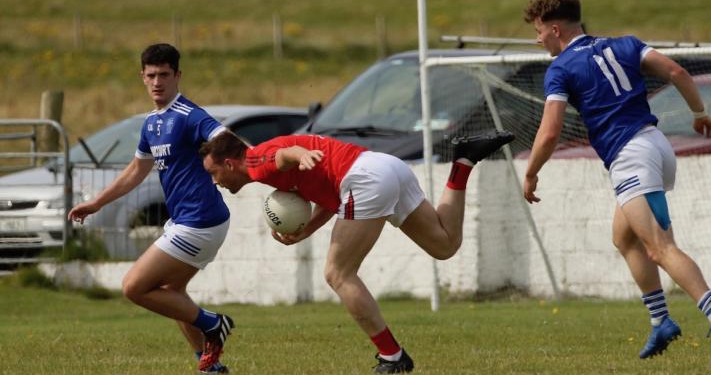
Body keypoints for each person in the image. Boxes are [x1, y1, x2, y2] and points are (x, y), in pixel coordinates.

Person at [521, 0, 711, 368]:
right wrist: (699, 113)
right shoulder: (625, 43)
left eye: (539, 32)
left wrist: (530, 173)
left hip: (630, 158)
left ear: (555, 29)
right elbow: (677, 72)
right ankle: (661, 321)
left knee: (660, 248)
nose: (537, 40)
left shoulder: (560, 68)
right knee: (623, 237)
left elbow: (550, 131)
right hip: (656, 145)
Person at [199, 130, 514, 373]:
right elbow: (332, 198)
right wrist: (305, 230)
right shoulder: (266, 160)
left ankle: (393, 356)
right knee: (445, 245)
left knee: (337, 274)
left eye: (213, 174)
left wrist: (301, 154)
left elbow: (282, 156)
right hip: (386, 167)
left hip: (365, 179)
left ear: (229, 164)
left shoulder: (256, 162)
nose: (215, 182)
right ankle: (463, 162)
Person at [68, 43, 235, 374]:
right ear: (143, 77)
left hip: (200, 220)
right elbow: (136, 171)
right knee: (171, 293)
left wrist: (232, 169)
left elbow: (225, 136)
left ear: (177, 76)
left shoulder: (189, 115)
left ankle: (213, 324)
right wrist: (97, 203)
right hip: (188, 220)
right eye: (151, 75)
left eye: (164, 75)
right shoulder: (152, 123)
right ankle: (210, 366)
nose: (157, 82)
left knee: (134, 287)